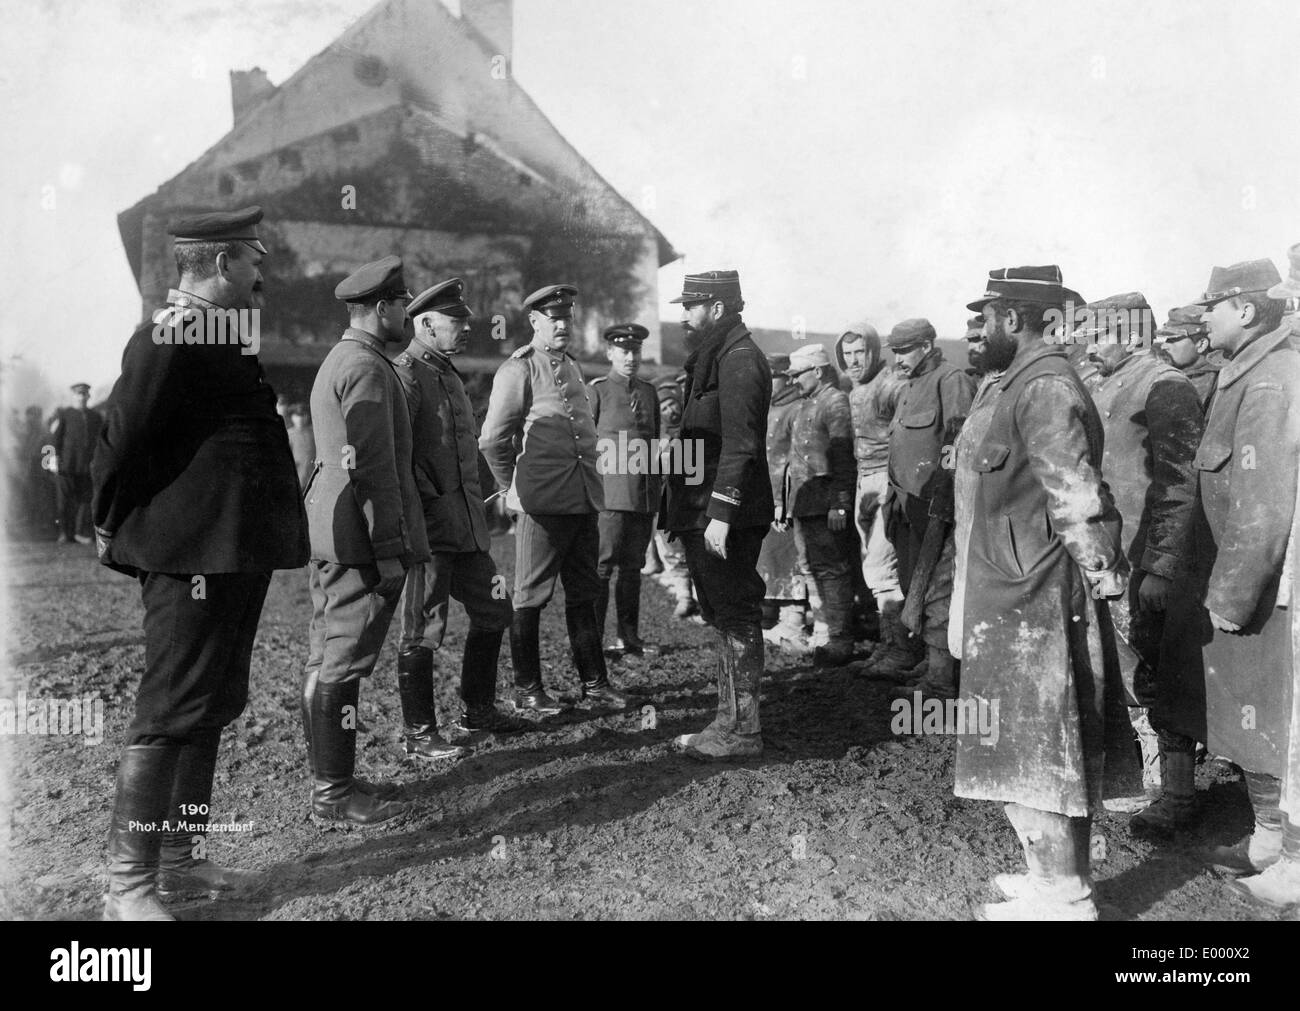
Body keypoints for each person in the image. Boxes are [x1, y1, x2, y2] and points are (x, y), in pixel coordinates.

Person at [91, 206, 308, 919]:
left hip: (234, 551)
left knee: (212, 704)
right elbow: (121, 432)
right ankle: (130, 885)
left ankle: (180, 859)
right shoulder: (171, 331)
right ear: (221, 263)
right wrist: (104, 519)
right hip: (189, 556)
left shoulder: (220, 334)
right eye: (253, 262)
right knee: (169, 708)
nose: (260, 275)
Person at [953, 265, 1130, 920]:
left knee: (1041, 743)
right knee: (1019, 744)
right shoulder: (1018, 382)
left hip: (1036, 598)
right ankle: (1048, 873)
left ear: (1027, 319)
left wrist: (1102, 568)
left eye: (993, 314)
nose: (981, 325)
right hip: (1008, 589)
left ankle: (1066, 893)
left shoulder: (1047, 386)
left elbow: (1075, 495)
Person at [1154, 259, 1300, 908]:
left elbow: (1263, 501)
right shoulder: (1247, 372)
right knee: (1252, 716)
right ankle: (1270, 836)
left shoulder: (1270, 380)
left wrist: (1234, 596)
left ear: (1245, 309)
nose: (1202, 317)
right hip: (1238, 580)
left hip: (1261, 590)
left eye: (1212, 306)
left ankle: (1283, 848)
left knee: (1271, 716)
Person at [301, 255, 428, 827]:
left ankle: (332, 779)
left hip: (332, 529)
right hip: (361, 537)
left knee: (325, 653)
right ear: (382, 308)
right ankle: (333, 793)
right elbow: (374, 469)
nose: (407, 313)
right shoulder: (369, 368)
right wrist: (390, 549)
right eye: (402, 304)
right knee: (344, 662)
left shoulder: (342, 358)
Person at [1074, 293, 1203, 819]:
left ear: (1130, 334)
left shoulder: (1165, 385)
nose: (1086, 344)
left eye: (1098, 334)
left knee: (1154, 668)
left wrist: (1162, 564)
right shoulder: (1097, 382)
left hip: (1141, 560)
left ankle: (1174, 792)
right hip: (1105, 553)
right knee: (1113, 663)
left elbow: (1180, 482)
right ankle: (1126, 769)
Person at [479, 284, 631, 714]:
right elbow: (491, 440)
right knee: (529, 597)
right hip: (543, 506)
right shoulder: (519, 369)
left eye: (568, 317)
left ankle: (595, 686)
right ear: (534, 322)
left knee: (584, 594)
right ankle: (529, 690)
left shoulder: (572, 366)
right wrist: (513, 487)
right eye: (554, 318)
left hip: (583, 499)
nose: (563, 325)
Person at [394, 278, 527, 741]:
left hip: (468, 528)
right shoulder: (405, 375)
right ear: (426, 324)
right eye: (457, 321)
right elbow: (397, 457)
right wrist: (424, 506)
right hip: (429, 532)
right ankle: (420, 731)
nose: (466, 328)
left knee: (495, 609)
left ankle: (478, 712)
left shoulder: (447, 373)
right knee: (423, 629)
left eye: (467, 320)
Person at [663, 270, 772, 761]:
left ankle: (743, 730)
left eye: (692, 305)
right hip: (703, 510)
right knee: (722, 615)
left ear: (720, 309)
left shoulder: (740, 360)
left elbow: (742, 445)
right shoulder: (716, 356)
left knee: (736, 614)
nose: (685, 315)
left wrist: (722, 513)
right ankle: (729, 720)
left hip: (725, 514)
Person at [876, 319, 973, 691]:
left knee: (937, 589)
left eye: (904, 350)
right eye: (895, 351)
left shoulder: (952, 380)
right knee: (912, 583)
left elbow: (958, 439)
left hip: (935, 506)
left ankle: (941, 678)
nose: (898, 358)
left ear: (928, 345)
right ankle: (928, 662)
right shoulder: (909, 386)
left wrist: (944, 495)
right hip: (905, 503)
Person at [837, 323, 908, 674]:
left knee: (883, 566)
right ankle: (887, 645)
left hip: (887, 479)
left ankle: (900, 651)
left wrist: (894, 485)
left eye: (859, 353)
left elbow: (907, 435)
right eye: (847, 354)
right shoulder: (855, 389)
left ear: (874, 352)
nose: (853, 361)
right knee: (872, 564)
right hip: (864, 479)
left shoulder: (891, 384)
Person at [588, 323, 662, 657]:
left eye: (636, 351)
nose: (631, 357)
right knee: (602, 568)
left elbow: (654, 442)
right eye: (624, 351)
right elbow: (585, 445)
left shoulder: (649, 391)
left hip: (643, 496)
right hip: (610, 496)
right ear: (610, 353)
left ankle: (628, 638)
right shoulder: (598, 391)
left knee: (633, 569)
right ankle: (592, 640)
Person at [784, 344, 856, 667]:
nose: (793, 381)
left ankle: (840, 639)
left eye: (797, 374)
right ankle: (824, 631)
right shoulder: (806, 403)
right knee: (810, 569)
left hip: (825, 505)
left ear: (817, 371)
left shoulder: (834, 402)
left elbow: (843, 458)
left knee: (832, 571)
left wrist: (840, 503)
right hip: (804, 505)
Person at [759, 353, 812, 654]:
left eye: (773, 377)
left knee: (789, 557)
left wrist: (784, 500)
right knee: (769, 556)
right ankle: (773, 616)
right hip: (767, 495)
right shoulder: (769, 408)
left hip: (786, 498)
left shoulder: (797, 408)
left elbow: (796, 460)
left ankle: (793, 620)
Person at [649, 376, 700, 619]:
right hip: (665, 503)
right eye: (664, 408)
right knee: (672, 550)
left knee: (697, 549)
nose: (671, 411)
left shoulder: (693, 430)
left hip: (692, 502)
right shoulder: (654, 437)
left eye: (673, 405)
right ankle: (684, 597)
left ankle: (703, 598)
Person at [50, 382, 103, 544]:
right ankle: (65, 533)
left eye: (84, 395)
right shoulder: (65, 415)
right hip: (66, 466)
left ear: (88, 396)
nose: (82, 398)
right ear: (73, 396)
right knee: (64, 501)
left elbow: (100, 441)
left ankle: (80, 533)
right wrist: (53, 459)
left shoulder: (95, 417)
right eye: (79, 395)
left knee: (85, 501)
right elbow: (55, 439)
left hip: (86, 467)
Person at [1152, 305, 1222, 412]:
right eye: (1166, 339)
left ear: (1201, 345)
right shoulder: (1166, 375)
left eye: (1174, 339)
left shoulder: (1218, 382)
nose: (1164, 346)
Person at [285, 404, 316, 491]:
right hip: (296, 477)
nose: (300, 419)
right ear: (292, 417)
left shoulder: (314, 433)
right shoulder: (288, 435)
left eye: (303, 415)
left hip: (312, 476)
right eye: (297, 416)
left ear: (307, 416)